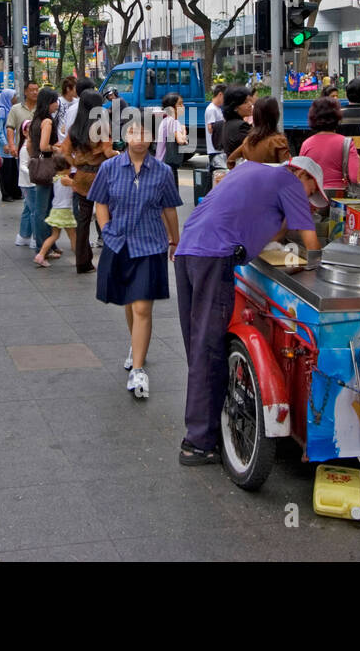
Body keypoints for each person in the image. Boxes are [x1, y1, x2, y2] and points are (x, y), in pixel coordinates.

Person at [173, 155, 328, 464]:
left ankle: (203, 429)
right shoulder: (289, 181)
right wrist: (321, 268)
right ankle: (199, 442)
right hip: (214, 259)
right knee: (210, 348)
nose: (308, 198)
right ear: (301, 173)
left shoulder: (250, 170)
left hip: (188, 250)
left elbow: (272, 231)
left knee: (198, 346)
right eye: (310, 189)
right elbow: (311, 242)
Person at [88, 115, 183, 400]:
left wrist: (174, 240)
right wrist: (107, 231)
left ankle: (138, 369)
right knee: (130, 302)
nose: (139, 137)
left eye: (145, 133)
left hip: (151, 245)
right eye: (134, 132)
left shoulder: (163, 171)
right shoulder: (109, 168)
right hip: (120, 244)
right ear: (126, 136)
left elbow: (169, 209)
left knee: (143, 307)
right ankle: (136, 344)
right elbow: (100, 203)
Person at [59, 90, 116, 273]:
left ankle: (82, 262)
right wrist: (119, 154)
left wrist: (76, 163)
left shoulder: (76, 128)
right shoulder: (101, 126)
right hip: (101, 176)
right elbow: (108, 153)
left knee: (83, 220)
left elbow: (64, 151)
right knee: (106, 218)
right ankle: (112, 259)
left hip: (82, 178)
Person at [26, 87, 61, 257]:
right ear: (49, 103)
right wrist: (56, 149)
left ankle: (48, 244)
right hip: (46, 165)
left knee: (44, 207)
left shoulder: (35, 120)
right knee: (43, 209)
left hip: (37, 163)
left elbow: (29, 144)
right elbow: (43, 146)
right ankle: (42, 246)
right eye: (55, 101)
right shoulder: (47, 121)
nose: (57, 104)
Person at [298, 97, 360, 189]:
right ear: (337, 117)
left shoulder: (306, 144)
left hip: (314, 198)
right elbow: (355, 177)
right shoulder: (346, 142)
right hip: (340, 198)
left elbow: (300, 177)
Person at [34, 154, 76, 267]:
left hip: (56, 210)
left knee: (54, 236)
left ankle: (40, 255)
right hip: (65, 211)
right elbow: (77, 186)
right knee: (73, 236)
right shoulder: (65, 179)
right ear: (66, 168)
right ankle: (80, 258)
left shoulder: (56, 178)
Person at [227, 97, 291, 166]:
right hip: (272, 176)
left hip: (252, 176)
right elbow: (288, 168)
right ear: (275, 115)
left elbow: (230, 161)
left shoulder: (248, 141)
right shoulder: (278, 140)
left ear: (256, 115)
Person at [154, 91, 188, 185]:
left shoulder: (165, 120)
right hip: (168, 165)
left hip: (160, 162)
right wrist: (184, 130)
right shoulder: (173, 121)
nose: (183, 106)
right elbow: (181, 141)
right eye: (180, 104)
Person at [0, 89, 22, 201]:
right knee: (5, 172)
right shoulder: (2, 110)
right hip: (4, 148)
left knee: (13, 171)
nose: (15, 98)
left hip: (12, 146)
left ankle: (15, 192)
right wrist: (5, 144)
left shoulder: (11, 109)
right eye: (13, 96)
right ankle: (6, 194)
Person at [16, 119, 37, 248]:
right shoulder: (25, 148)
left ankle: (23, 236)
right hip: (29, 184)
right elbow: (23, 166)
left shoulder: (30, 145)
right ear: (24, 132)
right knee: (35, 211)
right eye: (30, 128)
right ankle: (35, 237)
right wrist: (34, 174)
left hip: (28, 183)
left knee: (28, 209)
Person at [220, 86, 255, 161]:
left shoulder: (228, 123)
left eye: (250, 101)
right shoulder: (241, 126)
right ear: (235, 107)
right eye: (245, 102)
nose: (250, 105)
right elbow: (255, 149)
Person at [205, 84, 226, 164]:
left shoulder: (217, 109)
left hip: (218, 148)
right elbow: (210, 128)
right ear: (220, 94)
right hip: (215, 148)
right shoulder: (211, 109)